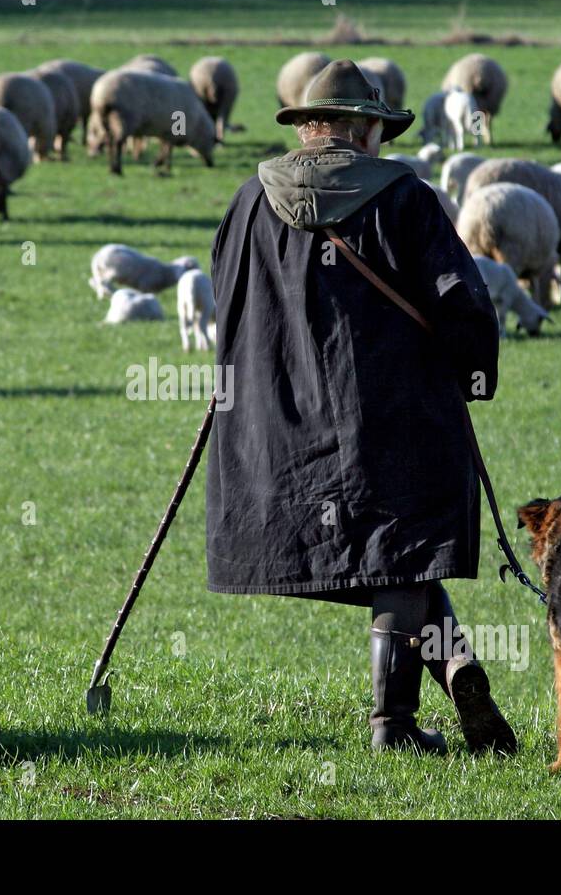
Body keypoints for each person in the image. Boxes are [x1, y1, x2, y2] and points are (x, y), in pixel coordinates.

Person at [204, 60, 516, 754]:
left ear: (308, 127)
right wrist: (471, 372)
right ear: (367, 128)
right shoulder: (404, 197)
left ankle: (457, 667)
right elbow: (461, 301)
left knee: (394, 557)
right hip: (392, 417)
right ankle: (393, 726)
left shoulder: (248, 200)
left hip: (276, 425)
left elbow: (225, 294)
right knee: (402, 550)